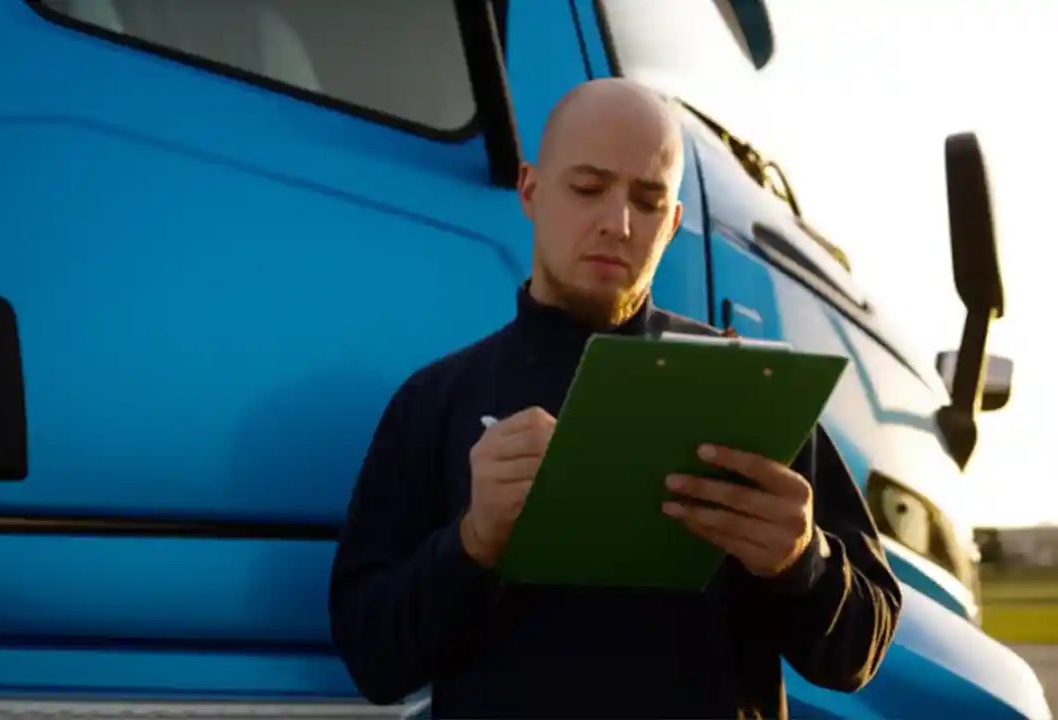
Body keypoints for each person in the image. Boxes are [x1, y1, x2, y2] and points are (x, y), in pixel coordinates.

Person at [328, 78, 902, 720]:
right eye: (587, 188)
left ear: (673, 224)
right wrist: (472, 543)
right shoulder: (435, 401)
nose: (618, 223)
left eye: (648, 201)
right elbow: (371, 658)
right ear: (530, 191)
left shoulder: (747, 388)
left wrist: (803, 562)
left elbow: (860, 650)